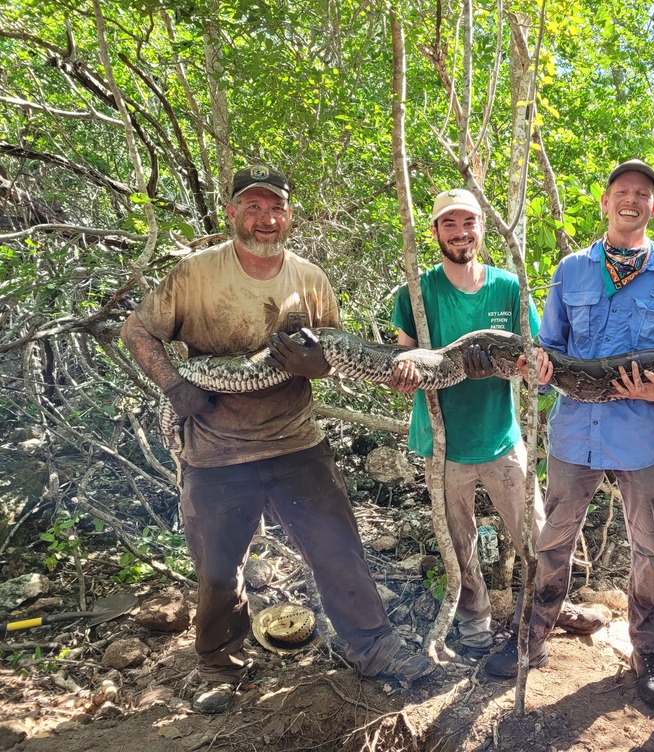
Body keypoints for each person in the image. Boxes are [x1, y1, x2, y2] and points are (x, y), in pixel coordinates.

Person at [121, 165, 434, 715]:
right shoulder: (194, 275)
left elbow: (334, 353)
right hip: (216, 450)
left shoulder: (309, 277)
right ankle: (220, 664)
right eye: (253, 207)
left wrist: (319, 367)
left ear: (289, 215)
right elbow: (137, 330)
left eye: (275, 208)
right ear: (232, 213)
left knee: (339, 551)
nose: (265, 219)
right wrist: (174, 386)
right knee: (218, 569)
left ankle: (372, 647)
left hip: (296, 443)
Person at [483, 160, 654, 711]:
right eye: (622, 191)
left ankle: (647, 655)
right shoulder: (571, 270)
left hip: (644, 435)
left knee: (648, 548)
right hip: (575, 431)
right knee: (553, 539)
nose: (632, 200)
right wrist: (541, 367)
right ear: (605, 202)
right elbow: (549, 345)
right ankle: (532, 639)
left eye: (643, 193)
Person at [389, 188, 606, 660]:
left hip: (501, 438)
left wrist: (524, 370)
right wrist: (407, 371)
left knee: (537, 536)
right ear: (434, 232)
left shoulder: (508, 287)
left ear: (482, 228)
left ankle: (545, 614)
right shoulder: (416, 291)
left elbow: (532, 356)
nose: (460, 232)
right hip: (442, 443)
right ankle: (474, 628)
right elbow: (404, 354)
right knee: (460, 544)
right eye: (449, 224)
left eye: (468, 222)